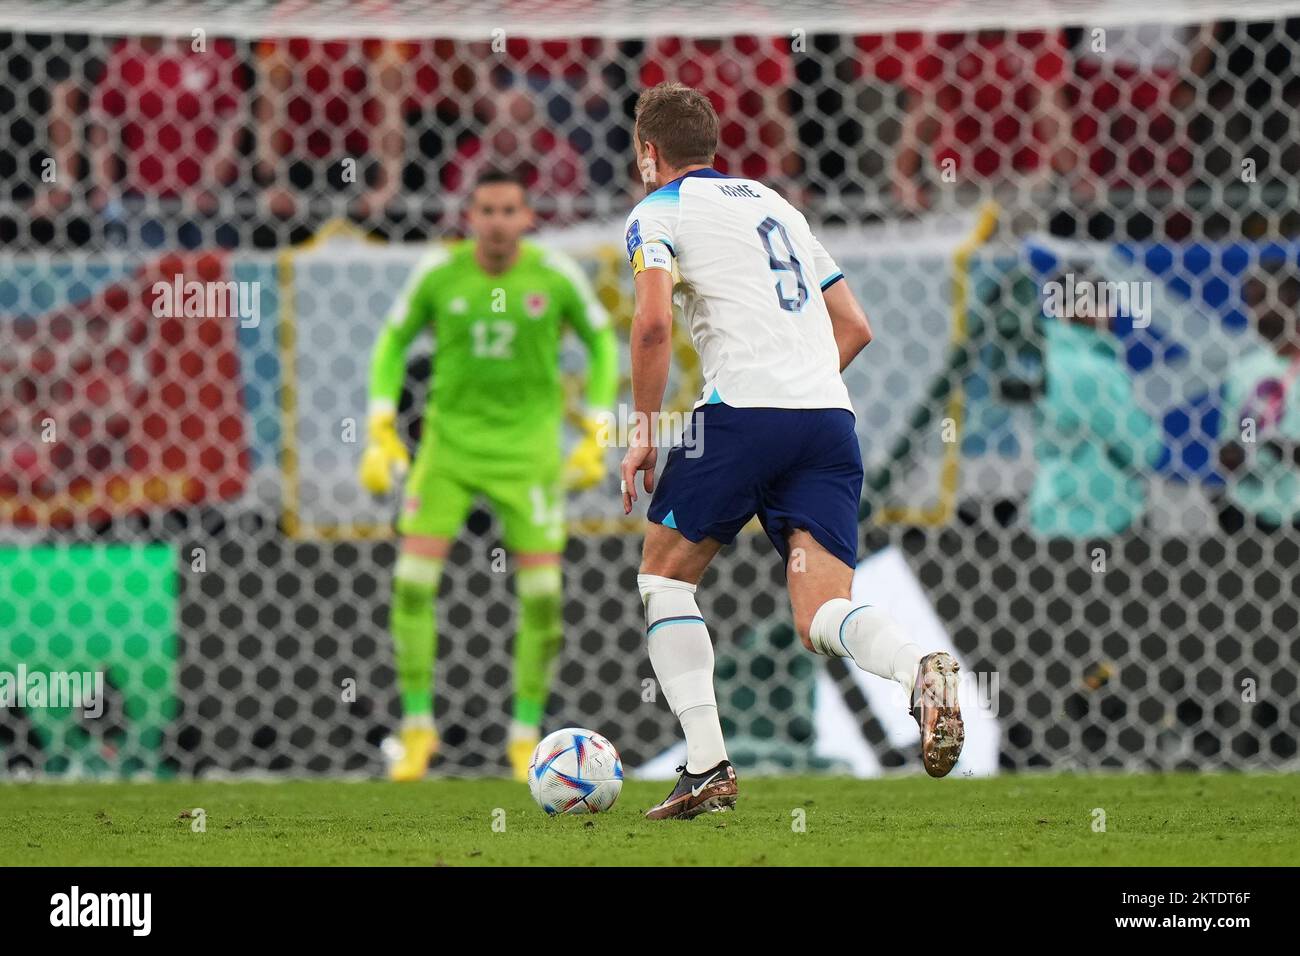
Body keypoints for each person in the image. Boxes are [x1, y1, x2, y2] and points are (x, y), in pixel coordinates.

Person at [618, 82, 965, 821]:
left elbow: (651, 325)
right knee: (821, 614)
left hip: (741, 415)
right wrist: (798, 386)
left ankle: (707, 764)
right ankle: (919, 670)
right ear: (711, 145)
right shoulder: (779, 205)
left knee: (665, 580)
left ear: (650, 153)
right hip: (827, 423)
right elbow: (857, 326)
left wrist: (642, 429)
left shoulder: (656, 213)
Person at [359, 169, 619, 781]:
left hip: (527, 452)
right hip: (448, 450)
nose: (498, 222)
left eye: (509, 211)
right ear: (469, 217)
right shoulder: (439, 272)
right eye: (487, 210)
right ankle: (418, 729)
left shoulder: (553, 276)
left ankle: (524, 736)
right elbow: (391, 343)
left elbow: (603, 342)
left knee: (544, 598)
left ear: (528, 218)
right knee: (414, 583)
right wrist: (378, 427)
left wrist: (598, 430)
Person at [1217, 262, 1300, 534]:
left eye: (1262, 299)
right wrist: (1239, 454)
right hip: (1248, 511)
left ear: (1291, 299)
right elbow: (1226, 444)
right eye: (1251, 303)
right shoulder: (1243, 370)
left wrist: (1284, 449)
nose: (1256, 313)